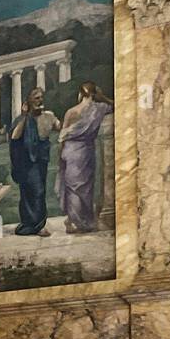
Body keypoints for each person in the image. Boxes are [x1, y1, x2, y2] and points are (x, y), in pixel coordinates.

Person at [58, 82, 113, 233]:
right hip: (87, 151)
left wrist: (60, 156)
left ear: (81, 94)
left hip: (71, 150)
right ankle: (84, 221)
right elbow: (115, 105)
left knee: (74, 187)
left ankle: (76, 221)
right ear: (95, 93)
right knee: (85, 188)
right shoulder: (100, 109)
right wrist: (103, 98)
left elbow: (62, 137)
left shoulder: (72, 112)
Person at [8, 88, 60, 237]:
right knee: (31, 192)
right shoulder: (22, 119)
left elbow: (60, 127)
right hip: (26, 162)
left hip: (40, 160)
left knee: (39, 192)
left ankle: (37, 224)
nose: (40, 100)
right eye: (36, 98)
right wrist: (25, 116)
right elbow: (15, 137)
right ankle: (32, 225)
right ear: (29, 101)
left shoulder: (48, 116)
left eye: (41, 97)